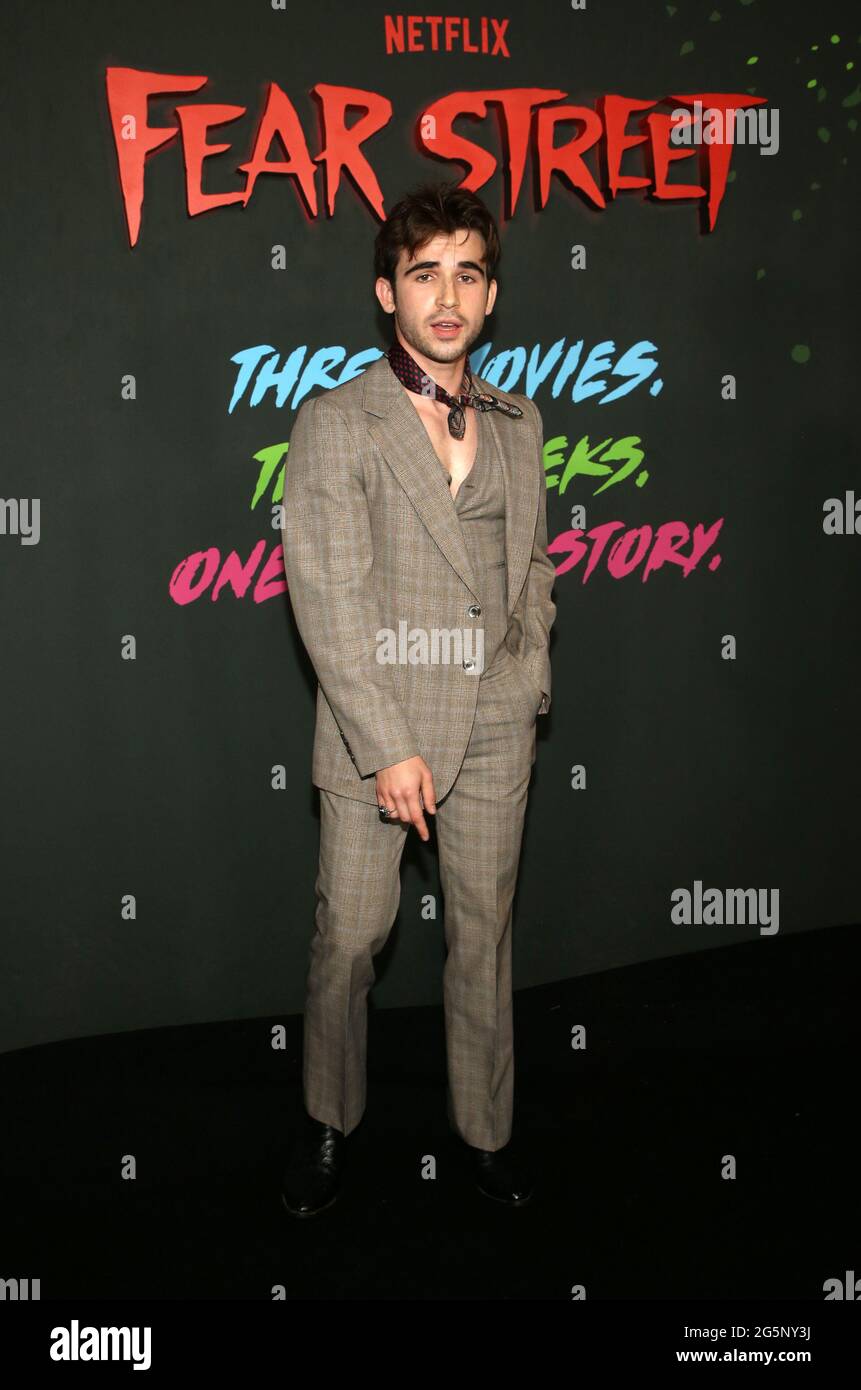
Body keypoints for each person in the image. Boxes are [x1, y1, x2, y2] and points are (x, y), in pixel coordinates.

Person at [279, 179, 556, 1215]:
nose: (448, 295)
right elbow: (330, 601)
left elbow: (532, 569)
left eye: (468, 274)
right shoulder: (337, 422)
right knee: (350, 936)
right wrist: (388, 745)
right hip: (377, 729)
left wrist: (529, 680)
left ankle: (485, 1132)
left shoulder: (520, 421)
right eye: (425, 272)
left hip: (493, 724)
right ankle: (326, 1120)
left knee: (483, 934)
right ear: (386, 291)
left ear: (489, 296)